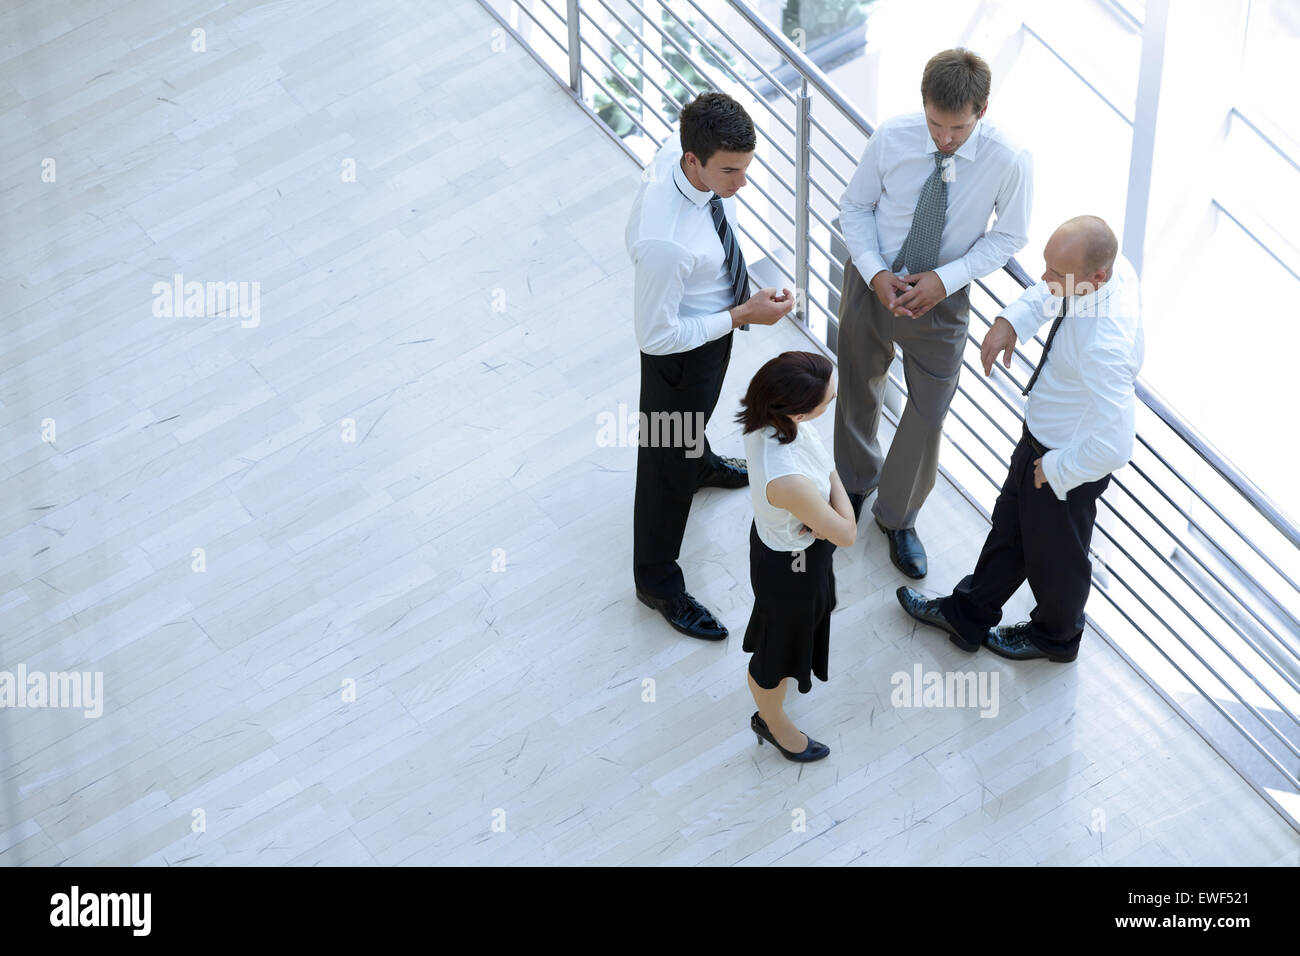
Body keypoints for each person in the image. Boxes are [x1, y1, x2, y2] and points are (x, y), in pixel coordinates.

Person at [898, 216, 1144, 663]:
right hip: (1041, 442)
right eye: (1046, 266)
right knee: (1009, 530)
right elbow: (1051, 293)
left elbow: (1116, 445)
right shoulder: (1105, 272)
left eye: (1055, 273)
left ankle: (1056, 639)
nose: (1045, 278)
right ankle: (967, 616)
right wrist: (1011, 321)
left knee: (1057, 560)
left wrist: (1054, 470)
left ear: (1098, 276)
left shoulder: (1104, 345)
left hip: (1063, 463)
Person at [835, 48, 1033, 579]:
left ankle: (897, 517)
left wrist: (946, 280)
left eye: (958, 128)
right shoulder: (892, 136)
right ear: (922, 106)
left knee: (930, 409)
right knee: (858, 380)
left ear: (982, 110)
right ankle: (852, 482)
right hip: (872, 278)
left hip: (943, 296)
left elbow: (1011, 235)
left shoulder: (1010, 159)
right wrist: (876, 272)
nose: (944, 138)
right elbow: (854, 208)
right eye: (935, 124)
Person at [626, 91, 794, 640]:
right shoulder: (666, 243)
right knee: (662, 470)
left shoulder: (687, 168)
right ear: (693, 160)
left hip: (712, 331)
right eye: (730, 171)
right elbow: (656, 337)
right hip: (679, 354)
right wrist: (741, 313)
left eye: (745, 169)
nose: (741, 183)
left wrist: (736, 311)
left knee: (691, 432)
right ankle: (656, 581)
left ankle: (697, 464)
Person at [736, 351, 856, 762]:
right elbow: (849, 532)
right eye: (829, 399)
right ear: (801, 413)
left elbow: (828, 482)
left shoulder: (773, 421)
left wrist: (826, 513)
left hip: (802, 551)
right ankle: (772, 722)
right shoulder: (785, 476)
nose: (833, 402)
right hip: (790, 566)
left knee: (805, 615)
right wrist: (833, 514)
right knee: (776, 650)